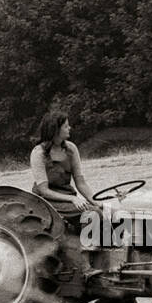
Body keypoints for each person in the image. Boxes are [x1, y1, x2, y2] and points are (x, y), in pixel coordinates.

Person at [30, 109, 102, 279]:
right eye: (66, 126)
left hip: (66, 196)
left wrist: (95, 200)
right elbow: (43, 190)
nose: (70, 128)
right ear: (56, 130)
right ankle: (85, 268)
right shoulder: (38, 153)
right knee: (91, 215)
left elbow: (80, 181)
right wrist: (72, 198)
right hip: (47, 200)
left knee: (102, 211)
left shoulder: (71, 149)